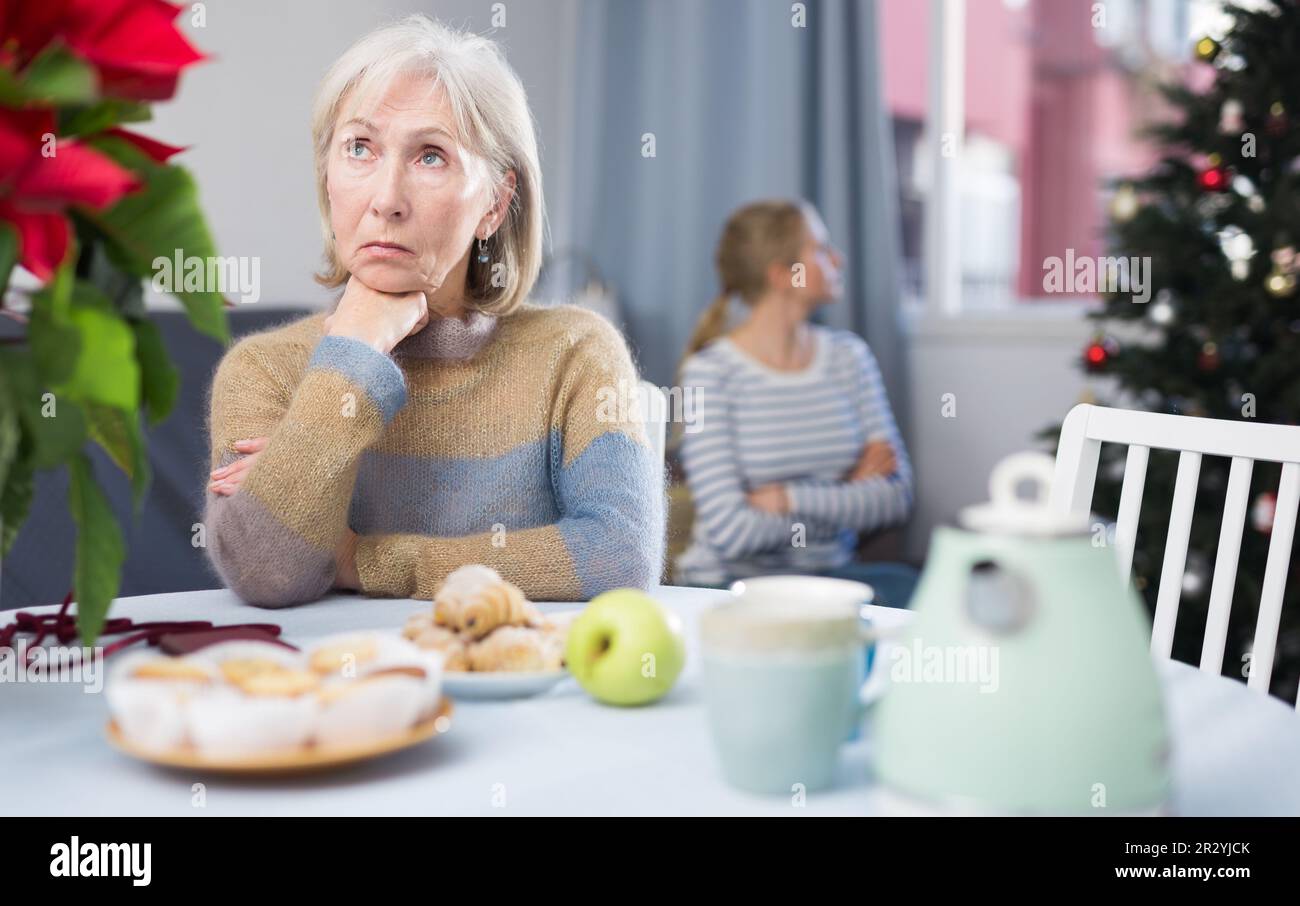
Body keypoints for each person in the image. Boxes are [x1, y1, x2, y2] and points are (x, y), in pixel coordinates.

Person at [203, 15, 663, 607]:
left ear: (497, 202)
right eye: (360, 148)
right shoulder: (264, 369)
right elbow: (265, 570)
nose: (386, 200)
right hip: (342, 690)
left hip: (520, 690)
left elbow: (617, 555)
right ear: (328, 175)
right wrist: (353, 354)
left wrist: (361, 559)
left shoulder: (575, 352)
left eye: (430, 157)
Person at [674, 199, 916, 605]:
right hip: (728, 585)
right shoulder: (711, 373)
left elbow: (897, 498)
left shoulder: (849, 358)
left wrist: (788, 499)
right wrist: (848, 490)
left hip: (830, 578)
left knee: (926, 597)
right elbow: (732, 532)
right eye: (820, 249)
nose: (837, 258)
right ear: (784, 275)